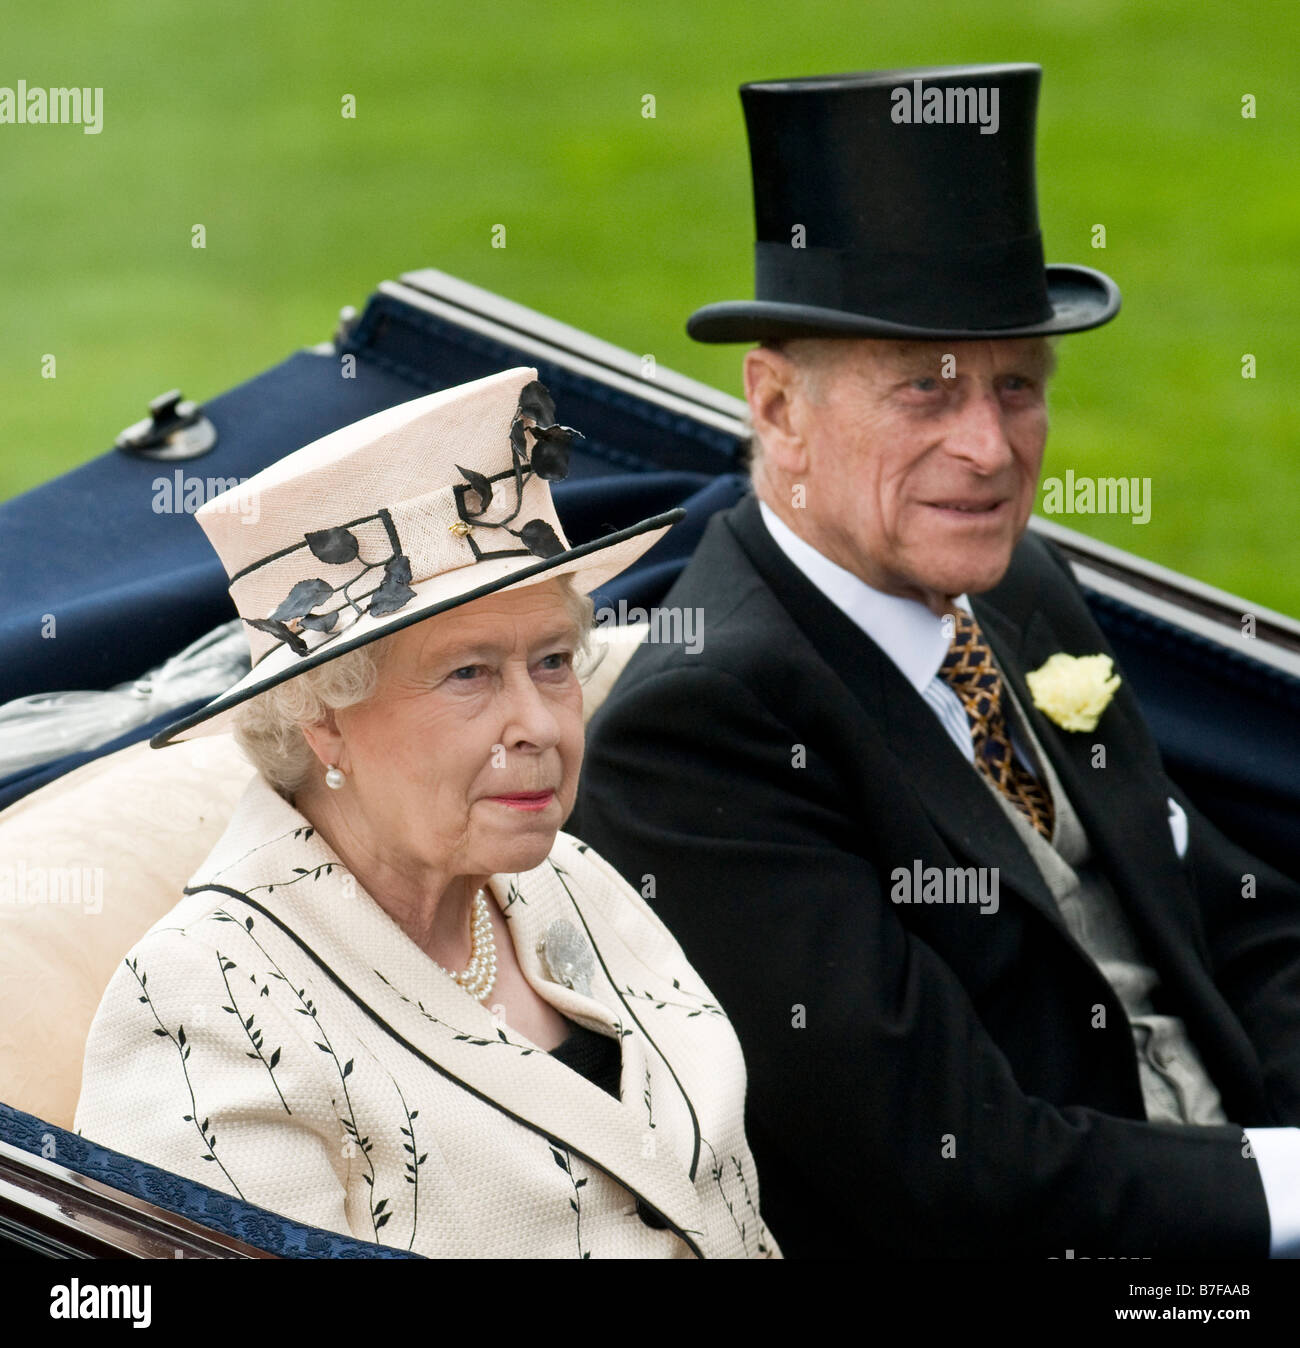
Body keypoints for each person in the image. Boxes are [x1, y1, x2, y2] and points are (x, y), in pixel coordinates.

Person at [573, 65, 1300, 1258]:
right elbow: (951, 1167)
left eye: (1016, 385)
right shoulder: (706, 728)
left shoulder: (1012, 587)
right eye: (926, 387)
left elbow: (1237, 915)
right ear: (777, 405)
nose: (988, 446)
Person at [75, 368, 777, 1259]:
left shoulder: (574, 878)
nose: (537, 724)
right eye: (469, 673)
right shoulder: (203, 1006)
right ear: (323, 718)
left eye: (553, 661)